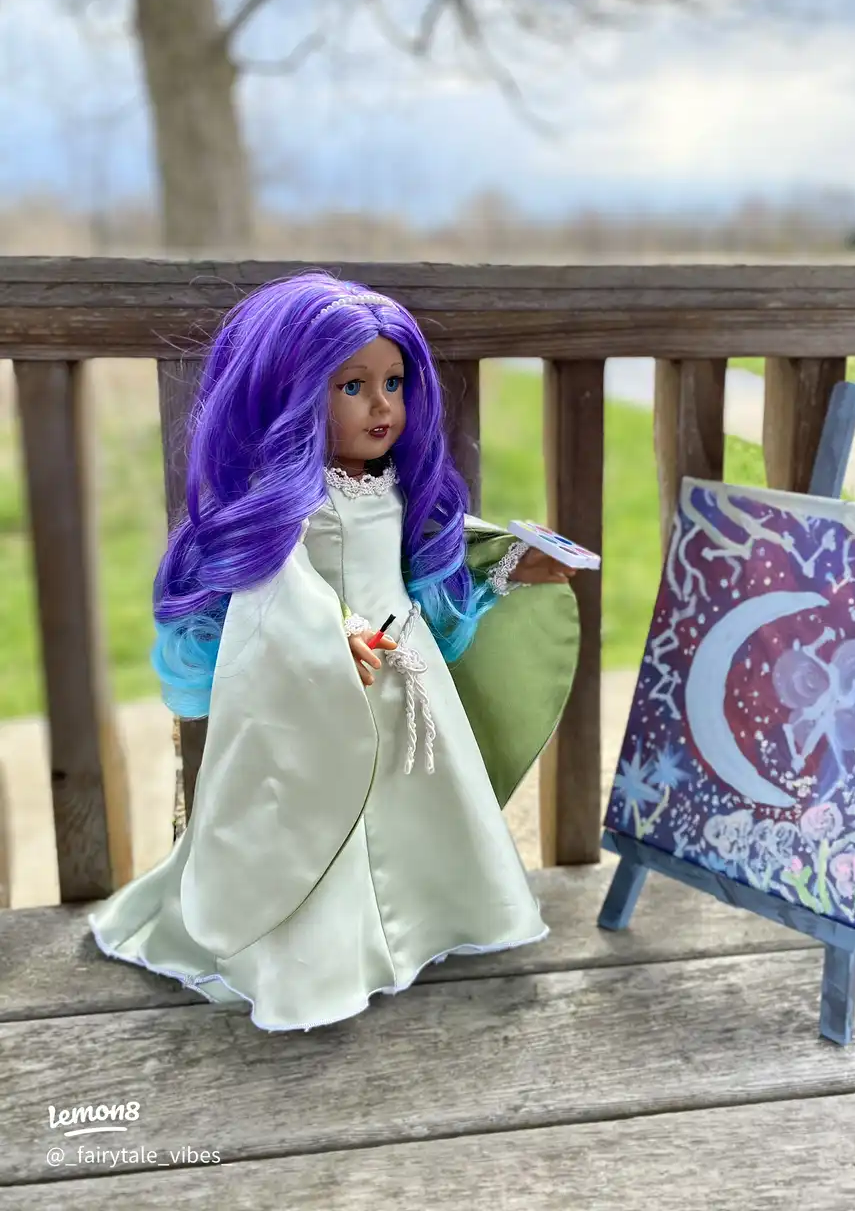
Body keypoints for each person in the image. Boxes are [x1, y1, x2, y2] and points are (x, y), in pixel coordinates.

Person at [88, 272, 580, 1032]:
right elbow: (268, 590)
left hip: (406, 677)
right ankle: (319, 962)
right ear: (289, 394)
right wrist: (325, 635)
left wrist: (510, 561)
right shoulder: (288, 504)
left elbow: (432, 557)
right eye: (353, 387)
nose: (383, 406)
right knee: (322, 818)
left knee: (418, 807)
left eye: (392, 382)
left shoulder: (389, 487)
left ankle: (429, 923)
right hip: (326, 685)